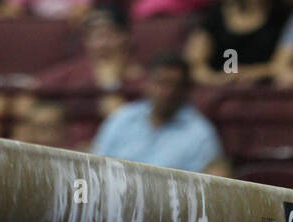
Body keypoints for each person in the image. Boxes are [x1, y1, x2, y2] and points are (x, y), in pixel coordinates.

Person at [91, 53, 228, 175]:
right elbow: (95, 166)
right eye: (160, 83)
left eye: (174, 85)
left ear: (186, 90)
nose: (167, 92)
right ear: (147, 84)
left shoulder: (200, 133)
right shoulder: (123, 117)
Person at [185, 0, 292, 85]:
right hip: (217, 89)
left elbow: (284, 64)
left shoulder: (286, 16)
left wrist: (247, 74)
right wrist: (215, 80)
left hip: (264, 90)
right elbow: (196, 62)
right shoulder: (218, 12)